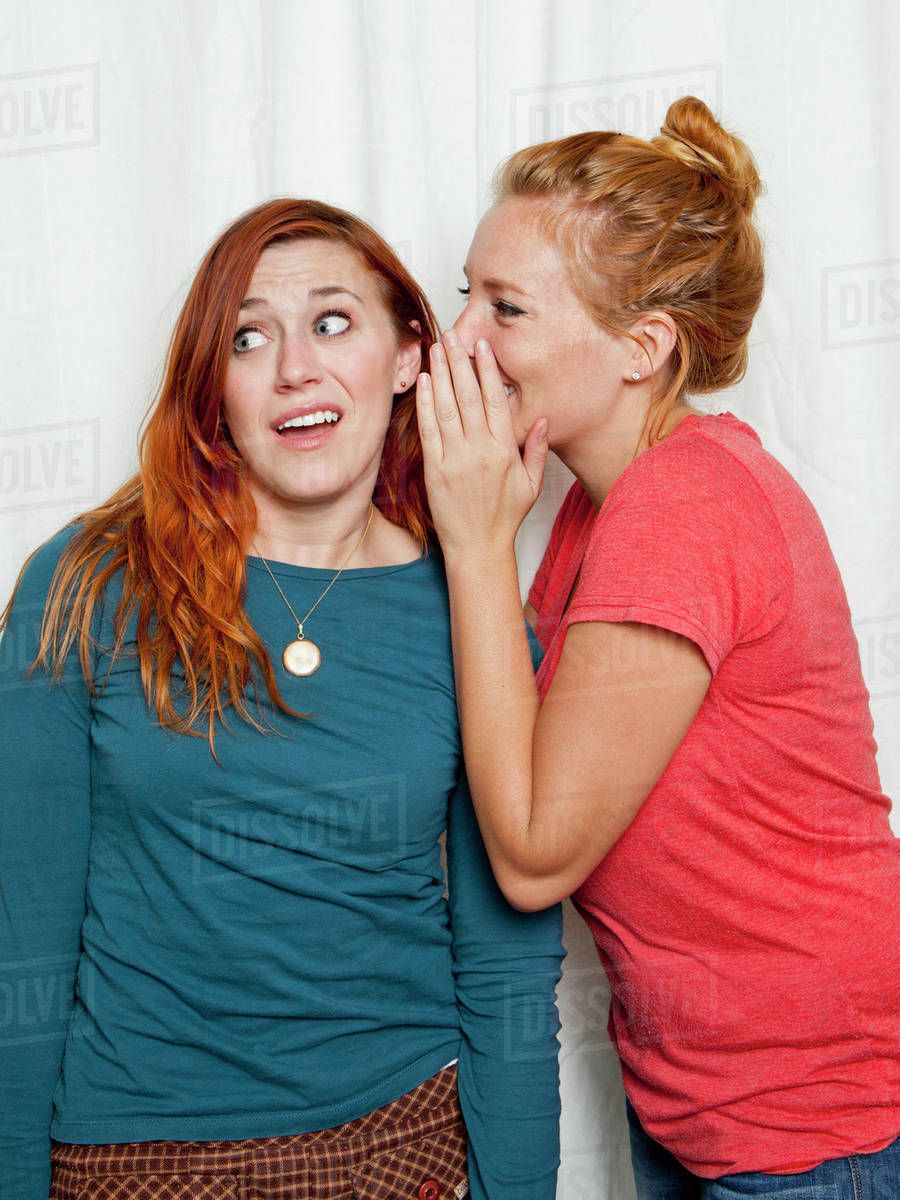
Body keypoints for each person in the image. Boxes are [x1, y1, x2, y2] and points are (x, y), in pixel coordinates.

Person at [0, 198, 563, 1200]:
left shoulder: (473, 613)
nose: (295, 368)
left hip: (403, 1146)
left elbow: (508, 966)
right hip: (138, 1160)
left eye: (332, 322)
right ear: (213, 386)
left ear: (409, 356)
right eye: (249, 338)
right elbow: (22, 936)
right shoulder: (85, 585)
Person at [415, 97, 900, 1198]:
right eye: (466, 295)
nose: (461, 341)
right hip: (703, 1102)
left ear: (644, 347)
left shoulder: (683, 505)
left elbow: (534, 854)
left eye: (506, 308)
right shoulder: (602, 508)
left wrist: (475, 541)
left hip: (815, 1124)